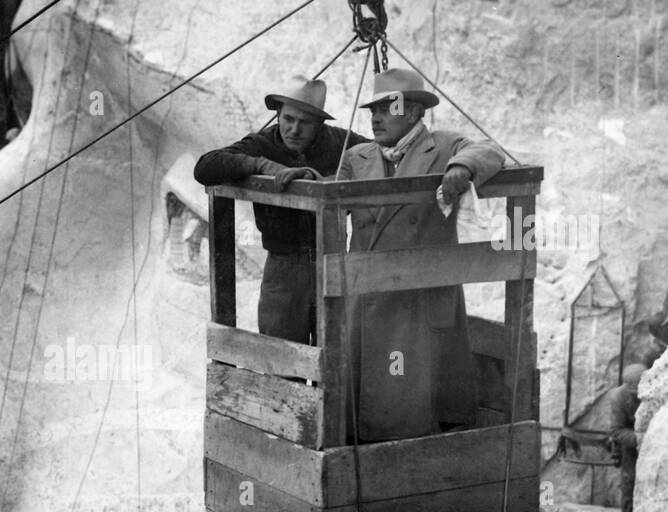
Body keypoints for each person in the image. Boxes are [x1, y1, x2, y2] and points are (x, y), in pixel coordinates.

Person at [336, 68, 505, 442]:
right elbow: (330, 201)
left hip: (419, 301)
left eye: (387, 108)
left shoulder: (443, 147)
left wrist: (462, 167)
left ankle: (414, 470)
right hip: (367, 298)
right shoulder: (358, 156)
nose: (376, 118)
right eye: (372, 110)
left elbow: (491, 150)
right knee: (363, 399)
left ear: (413, 112)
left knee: (412, 404)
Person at [194, 79, 370, 343]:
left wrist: (329, 179)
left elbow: (383, 153)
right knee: (281, 357)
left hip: (333, 263)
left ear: (320, 124)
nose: (294, 129)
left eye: (305, 122)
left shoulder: (340, 142)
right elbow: (205, 167)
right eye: (288, 118)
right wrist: (261, 165)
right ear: (277, 115)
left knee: (339, 356)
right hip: (283, 268)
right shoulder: (262, 143)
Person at [606, 363, 646, 512]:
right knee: (629, 482)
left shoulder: (653, 391)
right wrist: (641, 439)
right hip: (631, 445)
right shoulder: (618, 398)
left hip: (649, 440)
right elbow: (617, 431)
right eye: (633, 394)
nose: (637, 397)